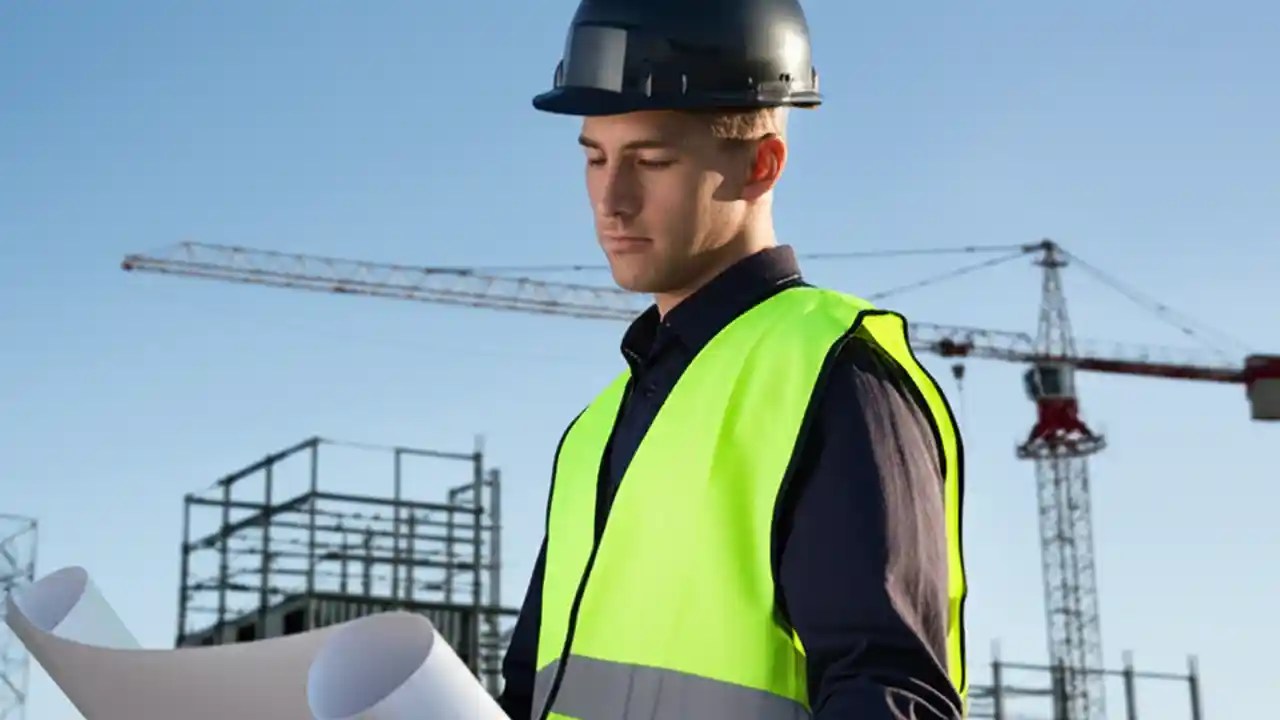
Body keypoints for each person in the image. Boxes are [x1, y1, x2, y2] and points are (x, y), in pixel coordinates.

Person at [498, 1, 969, 718]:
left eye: (650, 160)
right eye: (594, 158)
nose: (611, 201)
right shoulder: (594, 432)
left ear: (761, 163)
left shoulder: (834, 376)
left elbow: (889, 696)